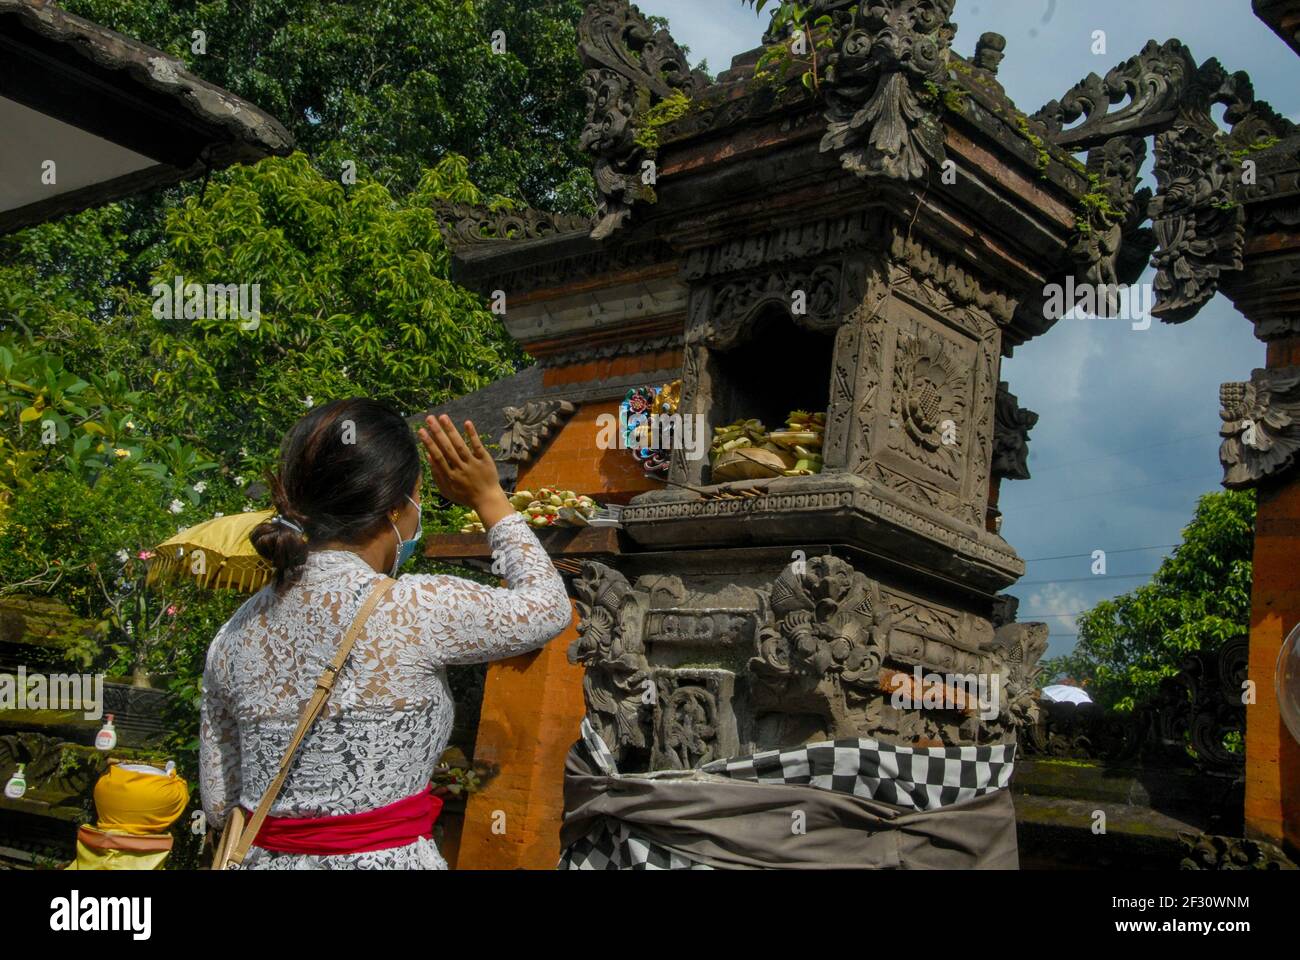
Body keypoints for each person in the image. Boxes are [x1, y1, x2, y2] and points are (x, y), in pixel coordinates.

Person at [198, 398, 570, 868]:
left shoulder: (235, 634)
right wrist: (489, 499)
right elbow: (548, 606)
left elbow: (218, 803)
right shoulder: (414, 608)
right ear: (397, 509)